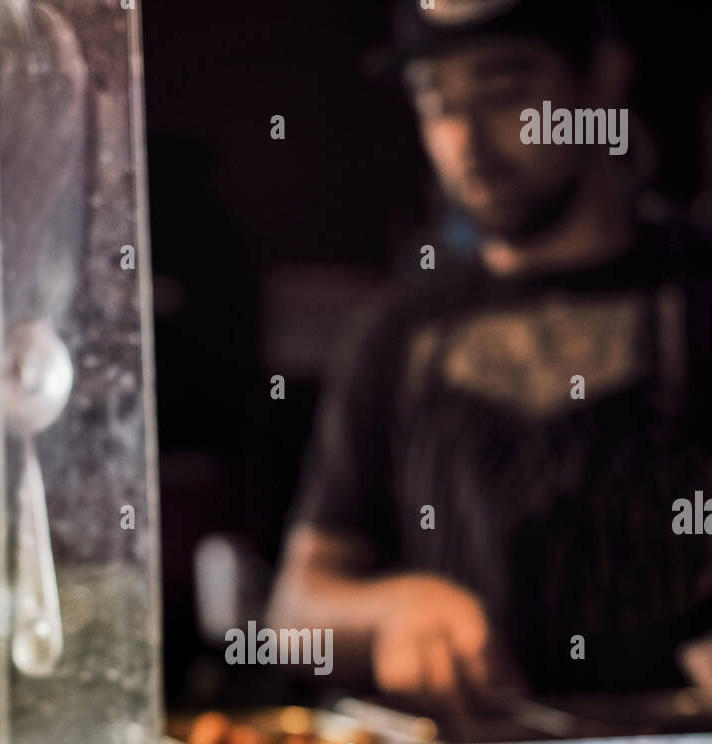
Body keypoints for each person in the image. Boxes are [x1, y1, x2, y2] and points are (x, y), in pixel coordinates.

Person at [268, 0, 712, 706]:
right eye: (438, 105)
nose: (466, 139)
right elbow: (293, 615)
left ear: (601, 78)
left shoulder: (696, 294)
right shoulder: (396, 333)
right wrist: (387, 613)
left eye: (504, 92)